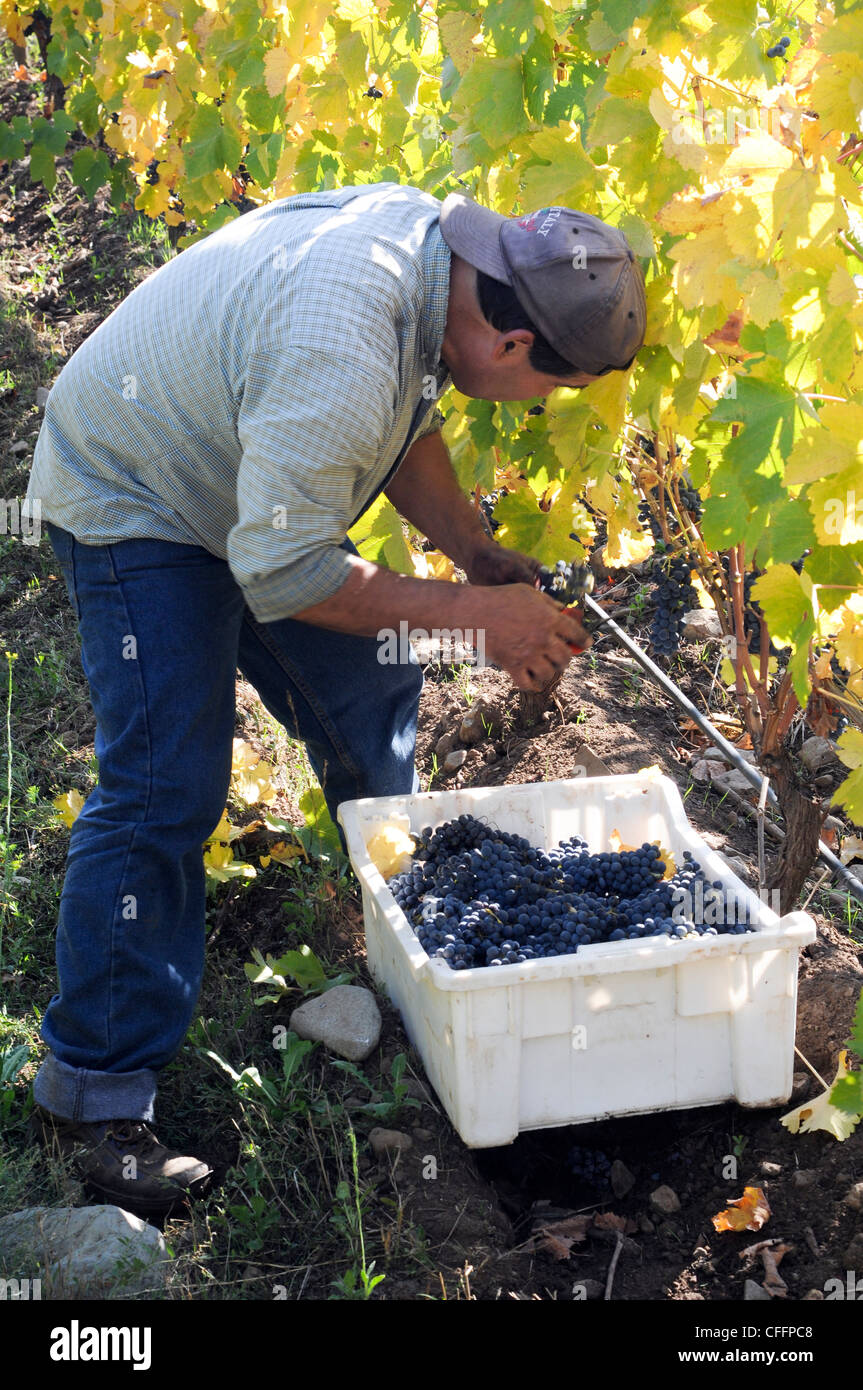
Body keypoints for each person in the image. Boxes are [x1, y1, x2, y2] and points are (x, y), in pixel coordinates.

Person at [23, 182, 646, 1214]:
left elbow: (403, 429)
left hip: (247, 476)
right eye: (550, 385)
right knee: (163, 784)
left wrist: (476, 556)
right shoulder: (345, 346)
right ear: (506, 342)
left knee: (373, 683)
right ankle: (92, 1095)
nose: (541, 408)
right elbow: (285, 575)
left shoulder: (438, 274)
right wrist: (478, 620)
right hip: (133, 490)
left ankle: (403, 930)